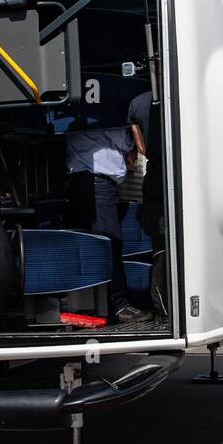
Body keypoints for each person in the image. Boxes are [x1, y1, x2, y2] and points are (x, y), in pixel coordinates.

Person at [65, 122, 153, 324]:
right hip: (99, 184)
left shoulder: (73, 118)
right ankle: (119, 306)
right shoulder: (102, 117)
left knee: (91, 247)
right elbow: (122, 140)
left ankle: (91, 307)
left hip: (81, 181)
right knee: (109, 245)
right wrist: (132, 128)